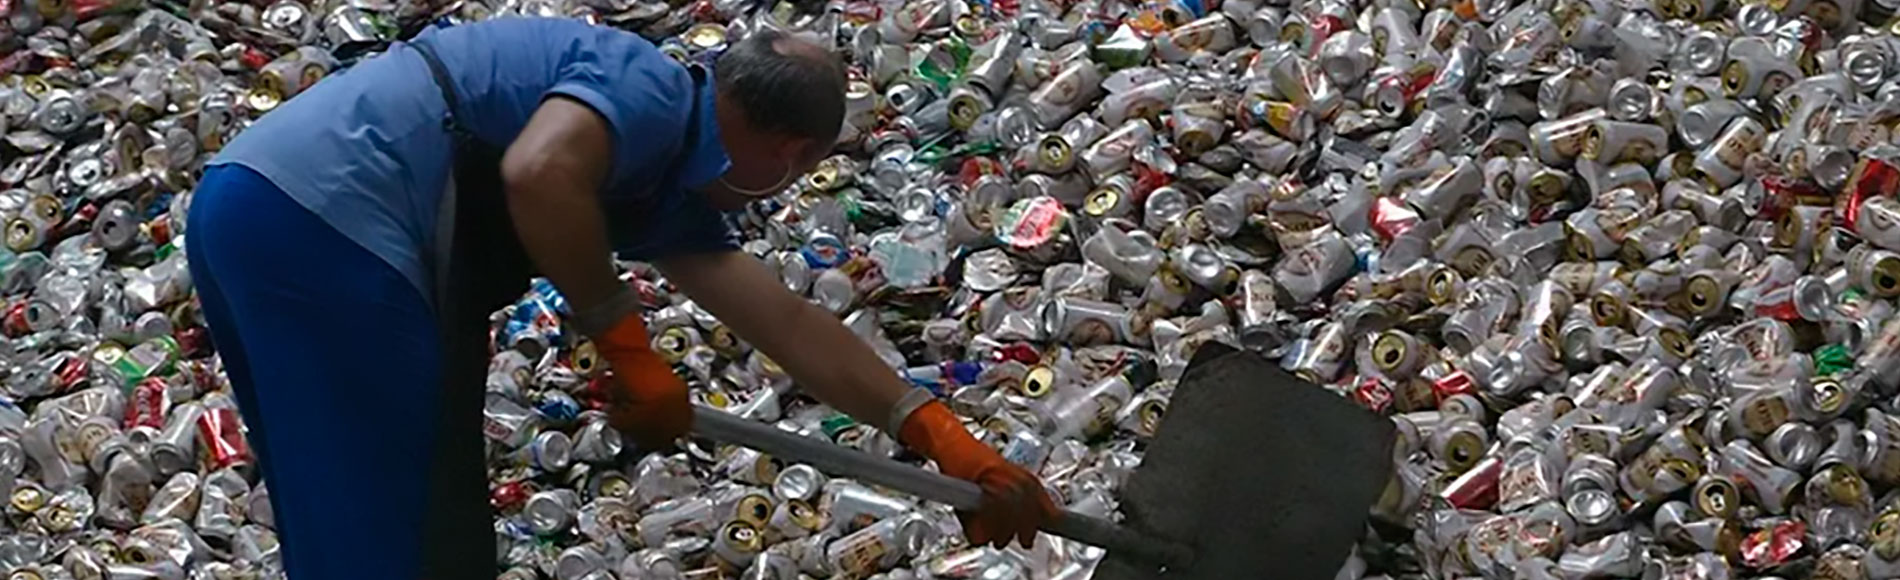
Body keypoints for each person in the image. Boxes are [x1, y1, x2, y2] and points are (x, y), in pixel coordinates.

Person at [183, 16, 1057, 580]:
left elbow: (785, 319)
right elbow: (536, 173)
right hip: (336, 225)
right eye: (803, 172)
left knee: (342, 506)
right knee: (401, 519)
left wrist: (936, 433)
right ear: (790, 151)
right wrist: (627, 346)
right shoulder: (639, 84)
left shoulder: (665, 170)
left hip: (246, 203)